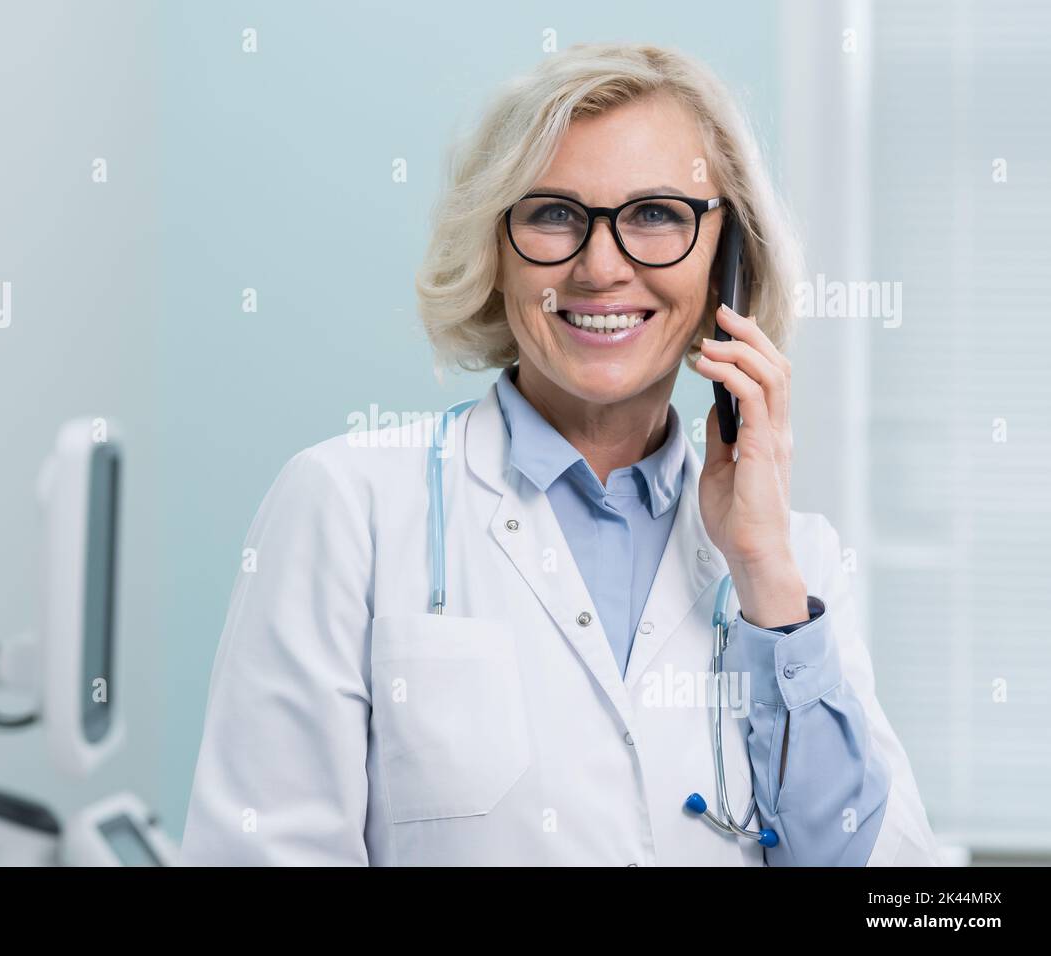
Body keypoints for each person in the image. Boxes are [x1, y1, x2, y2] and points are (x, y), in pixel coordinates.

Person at [180, 42, 939, 866]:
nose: (600, 267)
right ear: (495, 250)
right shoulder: (346, 506)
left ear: (728, 258)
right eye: (552, 214)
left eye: (656, 214)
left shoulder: (801, 568)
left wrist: (764, 576)